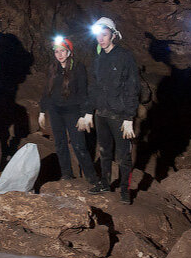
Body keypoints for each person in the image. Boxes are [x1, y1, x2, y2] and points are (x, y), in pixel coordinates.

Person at [78, 17, 140, 204]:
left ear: (113, 35)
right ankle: (105, 183)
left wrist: (129, 116)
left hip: (120, 115)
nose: (101, 39)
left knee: (124, 154)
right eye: (98, 35)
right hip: (102, 114)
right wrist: (89, 111)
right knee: (104, 150)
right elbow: (94, 86)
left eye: (104, 35)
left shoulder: (124, 56)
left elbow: (132, 86)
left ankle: (124, 190)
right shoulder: (98, 59)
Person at [38, 36, 103, 191]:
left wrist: (85, 114)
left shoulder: (78, 68)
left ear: (69, 52)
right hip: (55, 110)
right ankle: (67, 174)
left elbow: (83, 92)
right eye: (57, 51)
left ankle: (92, 178)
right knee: (60, 144)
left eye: (63, 51)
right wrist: (42, 110)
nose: (59, 54)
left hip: (72, 111)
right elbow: (48, 90)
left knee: (79, 145)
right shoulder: (53, 67)